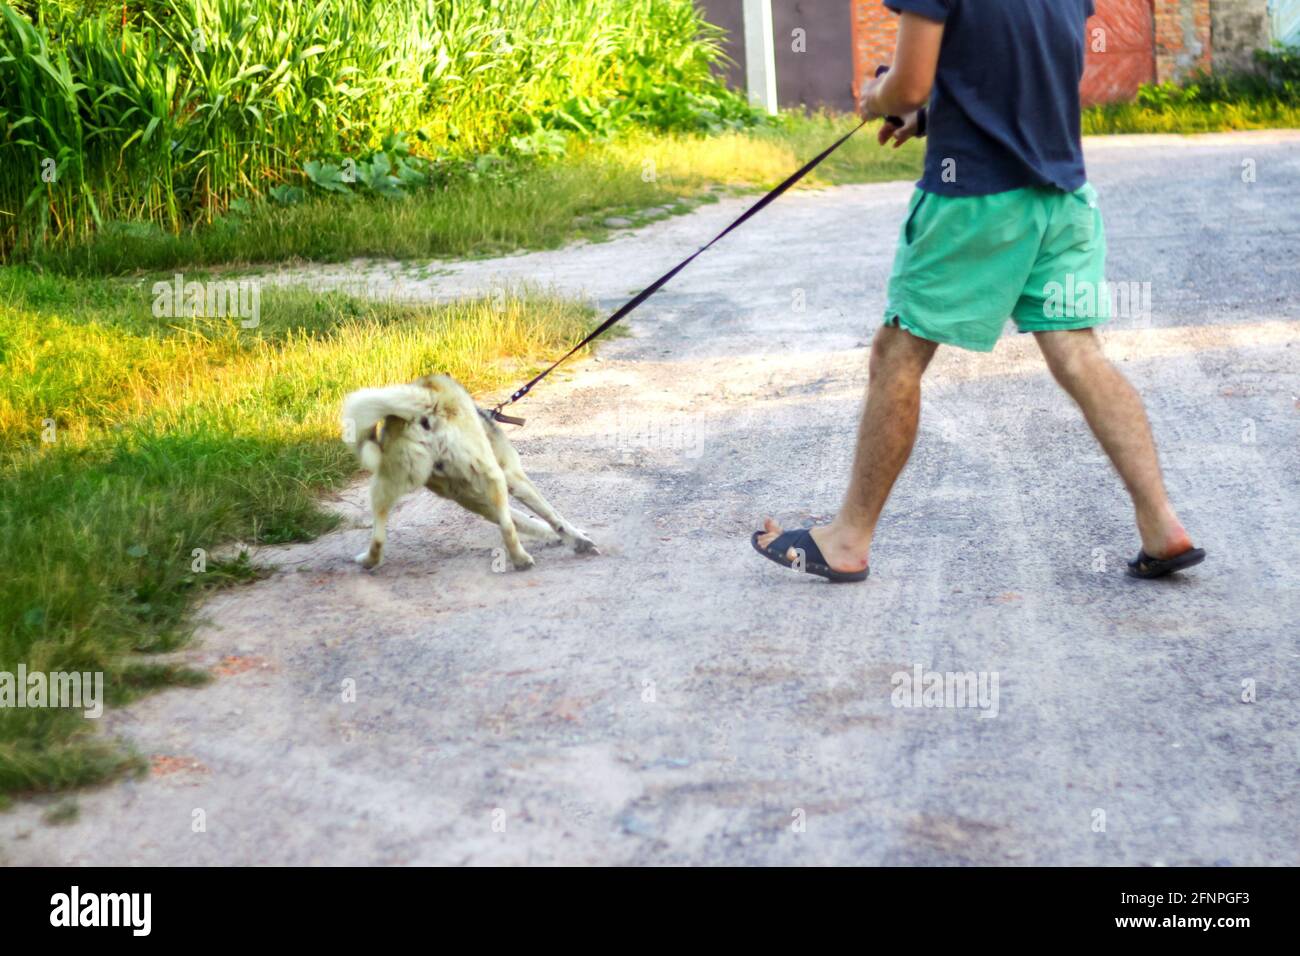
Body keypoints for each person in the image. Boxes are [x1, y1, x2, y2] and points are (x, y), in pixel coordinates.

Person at [752, 0, 1205, 583]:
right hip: (1062, 195)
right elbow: (1023, 64)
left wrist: (877, 98)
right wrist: (941, 113)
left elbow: (909, 84)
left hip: (974, 200)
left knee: (899, 353)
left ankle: (847, 540)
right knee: (1079, 354)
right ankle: (1161, 525)